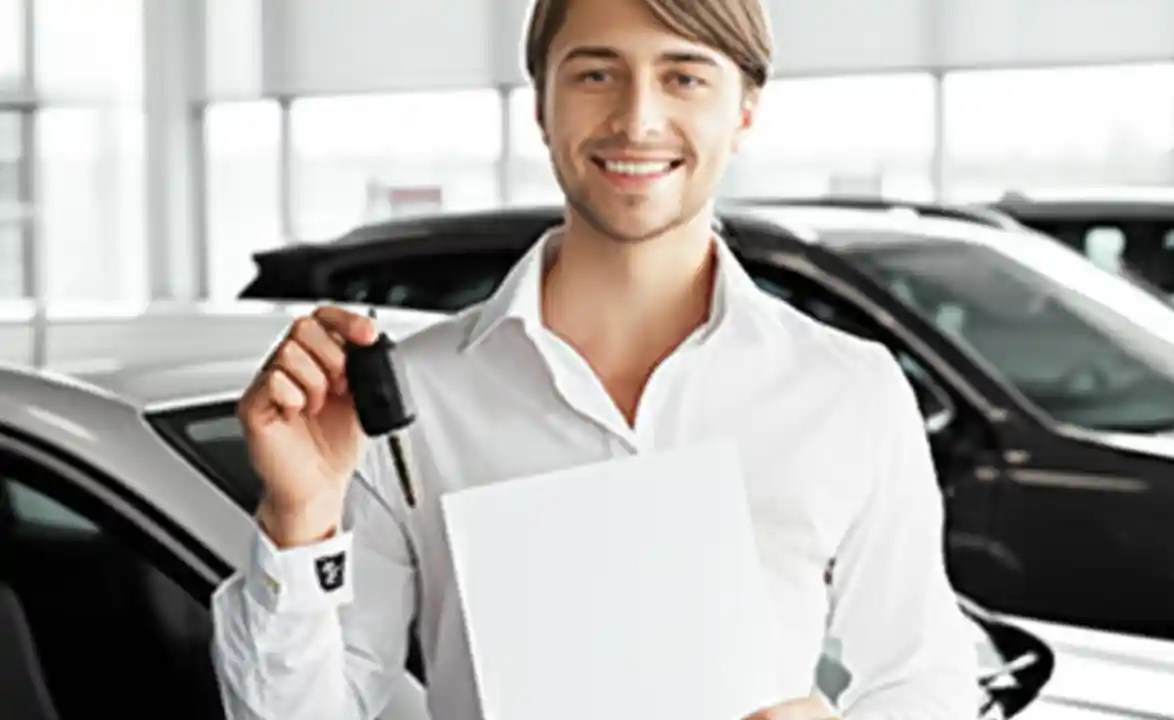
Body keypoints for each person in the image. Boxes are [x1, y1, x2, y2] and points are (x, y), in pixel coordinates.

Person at [210, 0, 980, 717]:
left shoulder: (848, 388)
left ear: (745, 110)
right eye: (595, 75)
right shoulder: (410, 399)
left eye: (683, 77)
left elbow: (922, 677)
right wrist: (299, 521)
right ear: (541, 106)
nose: (637, 119)